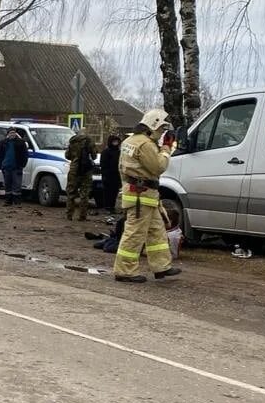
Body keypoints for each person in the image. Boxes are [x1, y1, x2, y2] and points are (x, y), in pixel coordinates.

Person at [113, 108, 182, 283]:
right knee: (134, 234)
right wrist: (166, 148)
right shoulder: (145, 144)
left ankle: (161, 267)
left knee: (156, 232)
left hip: (143, 194)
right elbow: (158, 167)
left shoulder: (130, 141)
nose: (160, 135)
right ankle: (125, 271)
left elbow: (122, 168)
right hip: (141, 196)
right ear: (152, 126)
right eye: (160, 130)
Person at [65, 131, 97, 221]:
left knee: (71, 193)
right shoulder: (89, 141)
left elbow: (67, 155)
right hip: (86, 171)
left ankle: (69, 215)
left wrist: (75, 157)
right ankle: (82, 216)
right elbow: (94, 156)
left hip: (74, 170)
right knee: (84, 194)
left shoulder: (73, 141)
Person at [0, 127, 29, 205]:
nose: (12, 134)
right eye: (11, 133)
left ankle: (17, 201)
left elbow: (25, 154)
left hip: (17, 167)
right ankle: (8, 200)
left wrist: (22, 164)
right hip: (6, 167)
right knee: (7, 184)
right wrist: (0, 165)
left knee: (17, 184)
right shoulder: (3, 143)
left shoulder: (21, 143)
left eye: (14, 133)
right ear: (8, 134)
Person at [99, 134, 121, 213]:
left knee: (114, 192)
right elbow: (103, 164)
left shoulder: (119, 152)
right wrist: (105, 174)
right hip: (107, 175)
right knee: (107, 192)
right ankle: (107, 207)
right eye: (114, 142)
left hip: (117, 175)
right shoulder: (106, 152)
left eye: (117, 142)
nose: (115, 143)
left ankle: (112, 206)